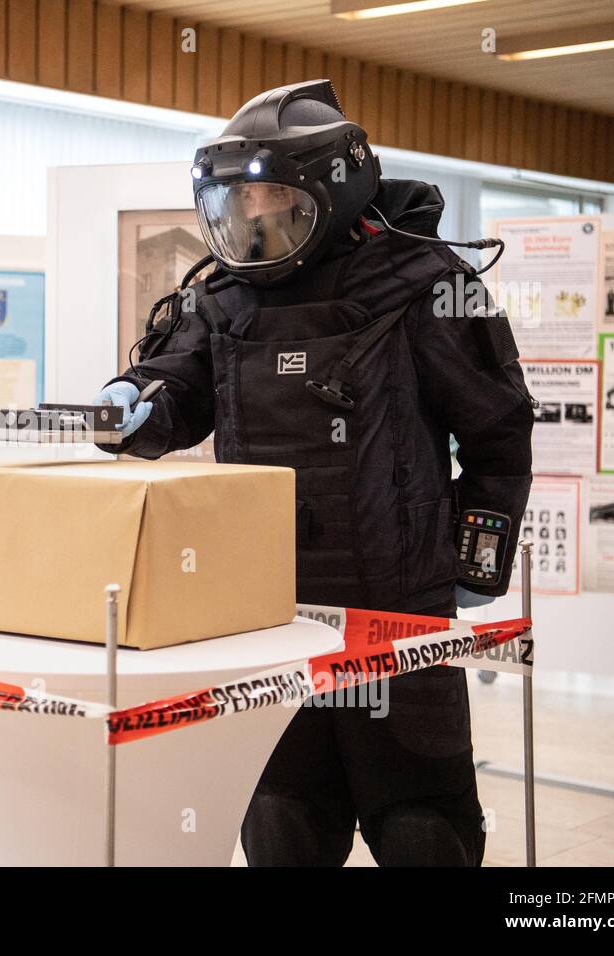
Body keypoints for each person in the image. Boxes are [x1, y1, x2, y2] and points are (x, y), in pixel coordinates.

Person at [95, 80, 533, 866]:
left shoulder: (427, 284)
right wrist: (128, 407)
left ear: (331, 190)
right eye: (237, 203)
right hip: (267, 607)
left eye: (270, 197)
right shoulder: (224, 301)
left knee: (421, 823)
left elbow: (499, 435)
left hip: (399, 610)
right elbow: (179, 397)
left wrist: (477, 558)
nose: (253, 218)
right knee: (283, 816)